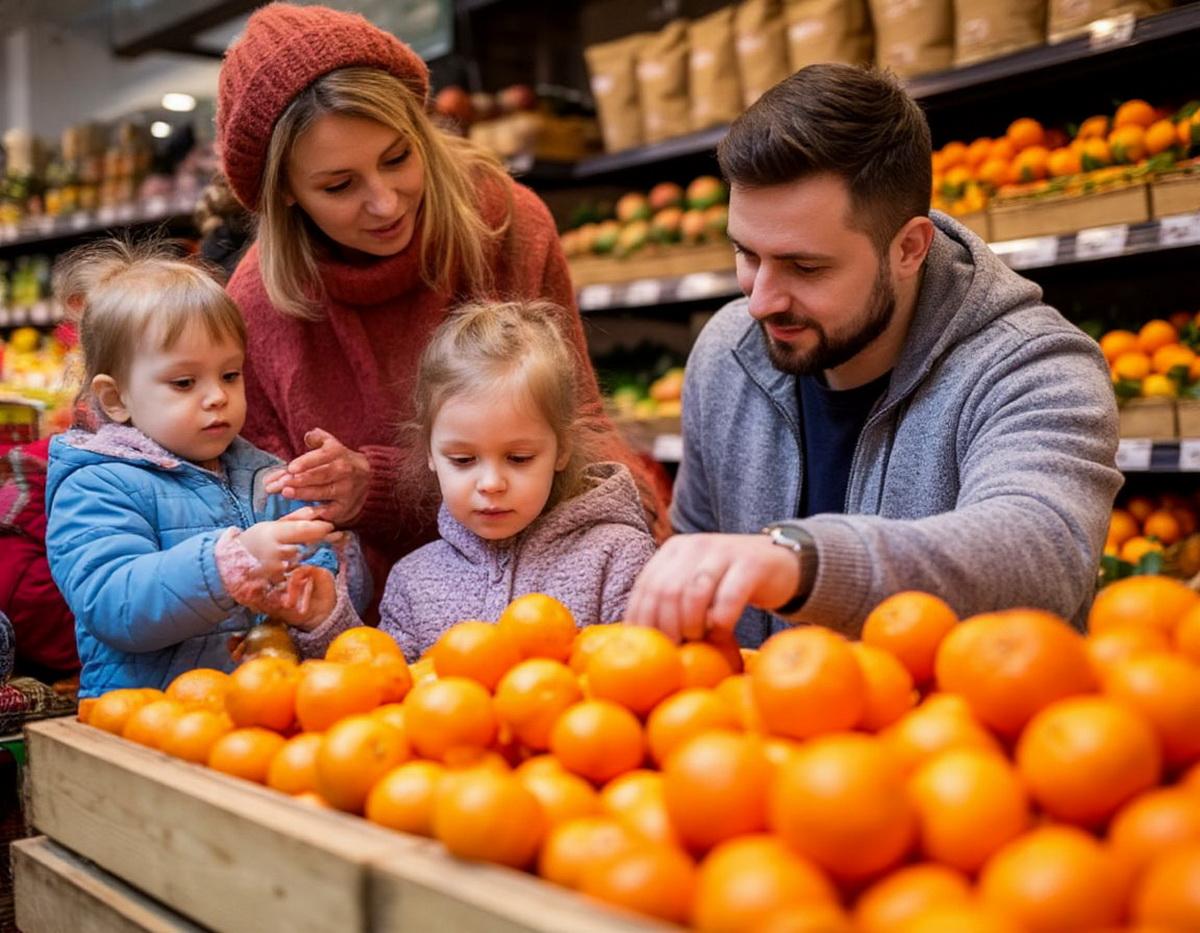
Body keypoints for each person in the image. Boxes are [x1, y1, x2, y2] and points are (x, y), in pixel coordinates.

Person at [625, 64, 1121, 647]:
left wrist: (797, 561)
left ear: (908, 248)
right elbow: (696, 548)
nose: (760, 302)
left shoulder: (1035, 368)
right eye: (747, 255)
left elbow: (1039, 553)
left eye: (805, 267)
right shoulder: (726, 353)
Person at [215, 3, 665, 601]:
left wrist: (642, 556)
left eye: (398, 157)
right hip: (369, 626)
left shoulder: (505, 224)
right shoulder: (256, 308)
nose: (385, 203)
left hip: (545, 597)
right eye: (339, 185)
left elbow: (576, 433)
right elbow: (267, 526)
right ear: (286, 193)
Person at [44, 240, 366, 698]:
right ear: (116, 399)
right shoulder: (96, 486)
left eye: (230, 375)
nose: (217, 396)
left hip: (258, 715)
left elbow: (328, 597)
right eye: (184, 382)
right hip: (145, 720)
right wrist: (229, 564)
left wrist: (322, 594)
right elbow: (116, 605)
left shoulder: (268, 478)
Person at [378, 301, 657, 661]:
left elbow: (648, 672)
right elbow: (382, 682)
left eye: (519, 458)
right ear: (431, 453)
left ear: (562, 448)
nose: (491, 483)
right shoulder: (412, 582)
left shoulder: (617, 557)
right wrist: (324, 622)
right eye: (463, 460)